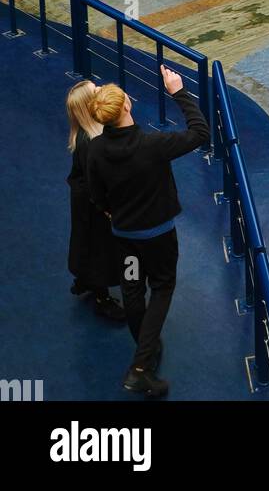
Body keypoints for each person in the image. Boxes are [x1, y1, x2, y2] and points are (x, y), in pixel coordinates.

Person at [86, 65, 210, 398]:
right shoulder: (153, 144)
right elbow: (201, 133)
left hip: (125, 236)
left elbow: (96, 195)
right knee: (163, 286)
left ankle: (146, 347)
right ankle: (140, 367)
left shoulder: (95, 150)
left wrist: (113, 212)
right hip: (158, 236)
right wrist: (178, 92)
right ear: (126, 106)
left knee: (132, 288)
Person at [66, 81, 125, 322]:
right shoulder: (91, 143)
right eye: (96, 90)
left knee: (87, 244)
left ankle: (84, 280)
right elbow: (97, 182)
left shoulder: (85, 136)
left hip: (85, 201)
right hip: (93, 206)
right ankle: (102, 298)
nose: (101, 88)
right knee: (100, 249)